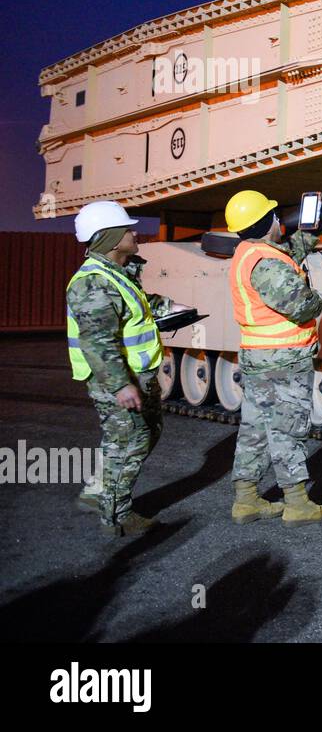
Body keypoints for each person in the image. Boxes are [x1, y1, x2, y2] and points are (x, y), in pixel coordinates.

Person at [225, 189, 322, 526]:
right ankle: (298, 504)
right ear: (266, 221)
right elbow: (300, 304)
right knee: (288, 429)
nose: (279, 219)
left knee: (256, 428)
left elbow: (289, 254)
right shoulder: (264, 262)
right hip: (282, 361)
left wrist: (311, 232)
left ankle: (246, 500)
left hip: (262, 359)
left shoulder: (251, 252)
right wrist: (318, 298)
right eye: (274, 215)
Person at [66, 201, 176, 535]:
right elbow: (98, 342)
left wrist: (171, 308)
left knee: (139, 436)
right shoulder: (93, 283)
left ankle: (102, 494)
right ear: (112, 239)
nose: (134, 232)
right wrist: (120, 385)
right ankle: (115, 517)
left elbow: (136, 308)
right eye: (127, 229)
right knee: (129, 442)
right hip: (116, 379)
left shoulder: (115, 274)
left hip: (136, 375)